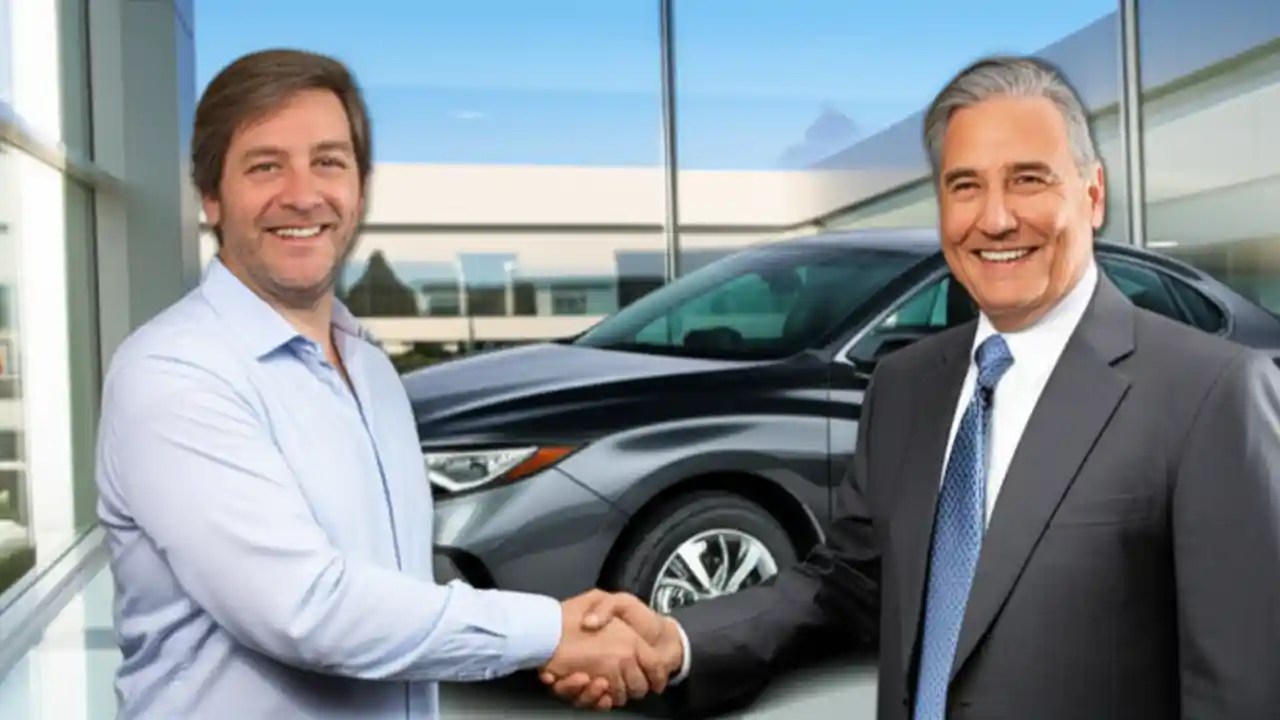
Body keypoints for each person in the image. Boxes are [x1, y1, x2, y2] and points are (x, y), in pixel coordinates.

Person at [544, 55, 1280, 719]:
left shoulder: (1211, 393)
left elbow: (1245, 686)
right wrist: (675, 640)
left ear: (1091, 194)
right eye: (966, 186)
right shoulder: (905, 386)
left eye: (1028, 178)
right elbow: (845, 588)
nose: (995, 218)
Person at [94, 48, 665, 719]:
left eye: (328, 162)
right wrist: (553, 634)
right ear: (213, 197)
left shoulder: (368, 367)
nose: (303, 194)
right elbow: (306, 610)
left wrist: (564, 642)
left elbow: (391, 595)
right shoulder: (174, 374)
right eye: (265, 165)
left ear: (359, 189)